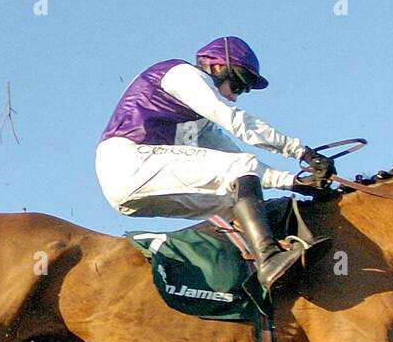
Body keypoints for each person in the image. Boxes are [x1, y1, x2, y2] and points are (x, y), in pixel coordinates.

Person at [96, 36, 333, 293]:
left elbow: (239, 163)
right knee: (241, 171)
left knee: (236, 198)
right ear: (217, 67)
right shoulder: (182, 74)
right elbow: (236, 122)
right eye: (238, 85)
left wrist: (293, 181)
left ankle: (249, 278)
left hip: (133, 187)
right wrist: (301, 152)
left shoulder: (197, 122)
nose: (235, 96)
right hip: (128, 162)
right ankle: (269, 260)